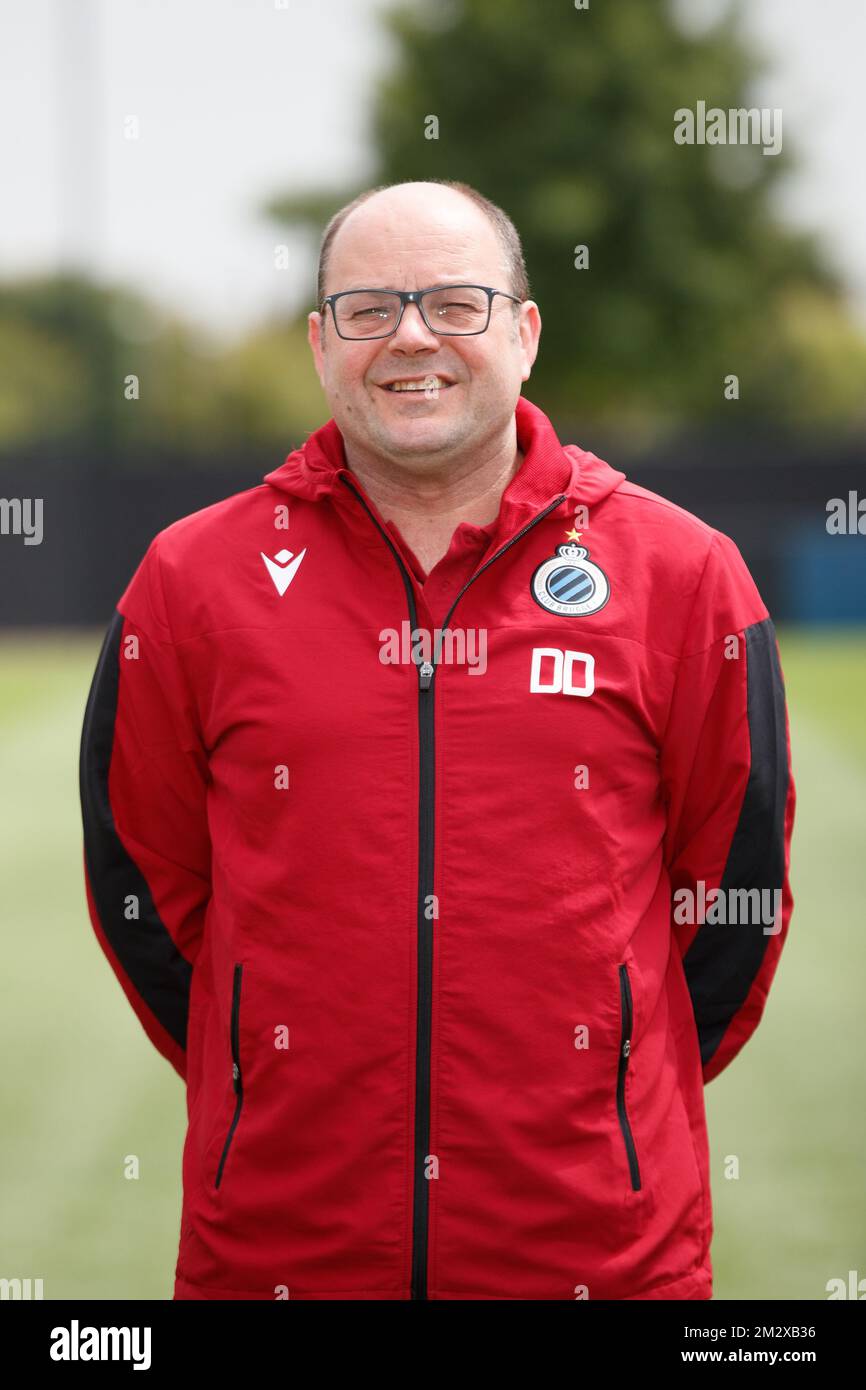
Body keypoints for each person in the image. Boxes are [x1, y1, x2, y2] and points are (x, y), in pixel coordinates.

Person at [79, 179, 795, 1301]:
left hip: (597, 1258)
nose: (410, 336)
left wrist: (608, 1086)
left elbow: (734, 891)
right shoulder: (188, 579)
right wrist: (256, 1069)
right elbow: (146, 888)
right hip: (278, 1252)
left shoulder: (683, 573)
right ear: (321, 346)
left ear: (523, 331)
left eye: (455, 303)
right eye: (368, 309)